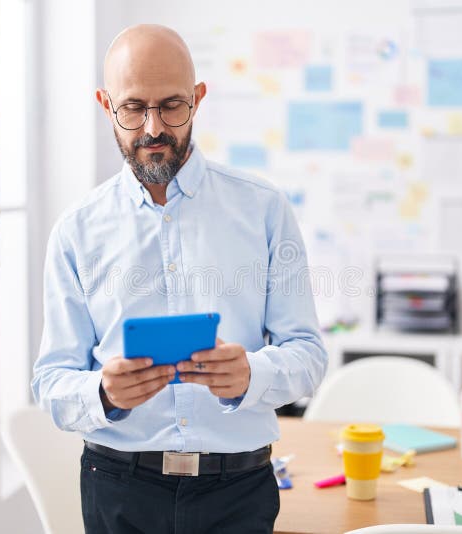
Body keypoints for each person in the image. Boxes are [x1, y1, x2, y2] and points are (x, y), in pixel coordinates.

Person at [32, 24, 327, 534]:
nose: (152, 128)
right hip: (117, 486)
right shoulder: (75, 231)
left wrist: (253, 375)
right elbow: (51, 382)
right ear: (106, 105)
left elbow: (308, 353)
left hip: (238, 490)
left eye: (171, 105)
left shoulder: (264, 211)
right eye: (132, 107)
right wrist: (102, 393)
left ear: (198, 98)